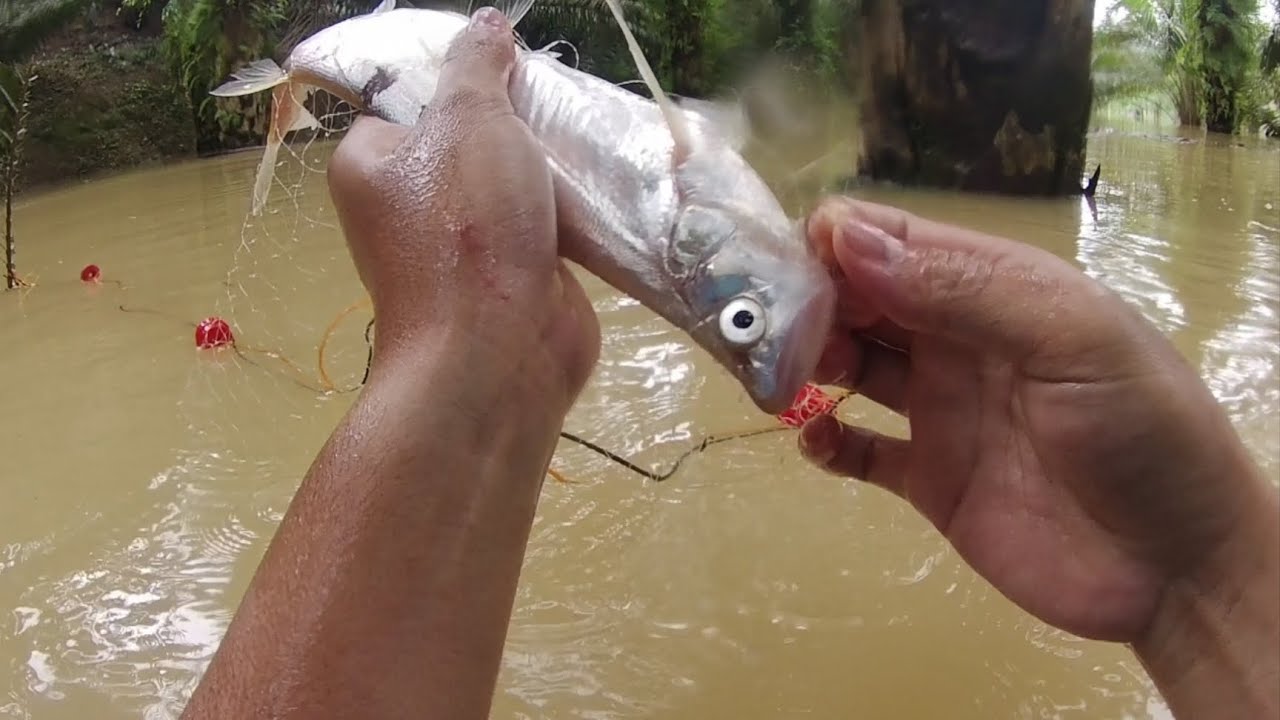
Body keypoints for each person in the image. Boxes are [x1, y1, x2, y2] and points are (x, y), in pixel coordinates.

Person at [179, 9, 1279, 720]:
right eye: (743, 320)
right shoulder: (700, 186)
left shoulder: (697, 197)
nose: (764, 339)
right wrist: (1197, 575)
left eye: (744, 322)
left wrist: (473, 343)